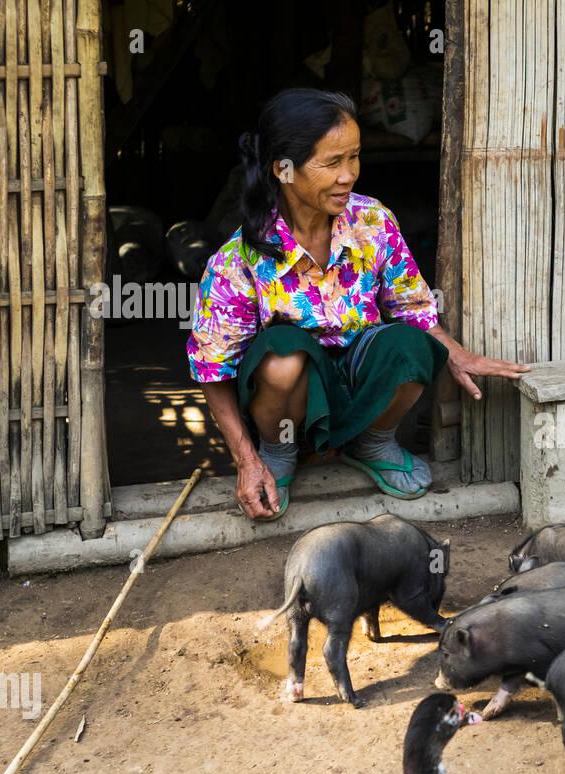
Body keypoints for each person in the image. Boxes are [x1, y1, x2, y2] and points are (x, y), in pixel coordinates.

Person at [187, 88, 528, 519]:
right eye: (332, 162)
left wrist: (456, 355)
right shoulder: (239, 260)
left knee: (410, 344)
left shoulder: (373, 222)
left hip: (357, 383)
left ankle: (372, 442)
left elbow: (413, 309)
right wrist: (246, 460)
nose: (348, 175)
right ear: (284, 170)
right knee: (281, 353)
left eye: (354, 157)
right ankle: (280, 452)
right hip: (291, 402)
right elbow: (212, 369)